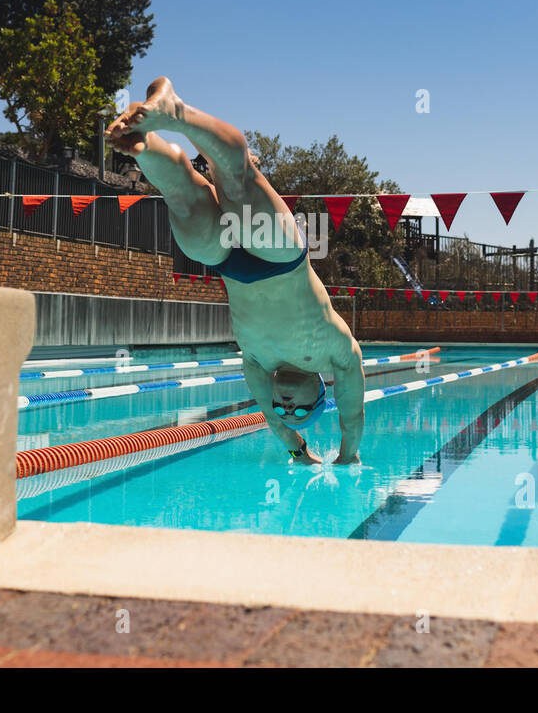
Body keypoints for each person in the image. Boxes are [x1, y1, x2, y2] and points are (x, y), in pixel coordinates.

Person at [107, 77, 365, 464]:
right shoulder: (337, 355)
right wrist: (347, 456)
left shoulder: (258, 367)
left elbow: (274, 424)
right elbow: (354, 413)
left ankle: (140, 143)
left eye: (286, 412)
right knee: (238, 183)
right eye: (301, 410)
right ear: (319, 393)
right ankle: (176, 111)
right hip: (281, 259)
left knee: (183, 196)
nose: (286, 408)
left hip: (227, 262)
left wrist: (296, 448)